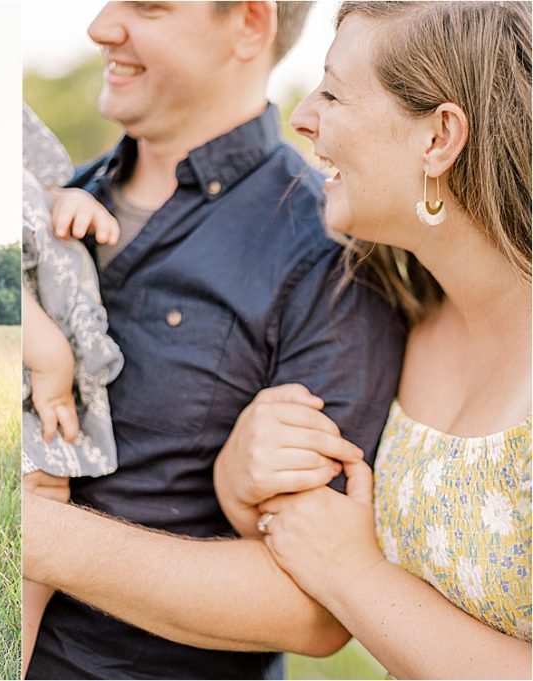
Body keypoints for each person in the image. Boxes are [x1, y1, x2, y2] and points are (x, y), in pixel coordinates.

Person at [24, 2, 406, 679]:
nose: (101, 27)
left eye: (147, 6)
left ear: (250, 23)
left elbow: (315, 609)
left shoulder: (329, 253)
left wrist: (38, 534)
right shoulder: (49, 205)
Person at [216, 3, 531, 678]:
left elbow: (344, 566)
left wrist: (356, 574)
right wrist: (241, 479)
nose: (301, 117)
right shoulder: (399, 309)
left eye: (332, 91)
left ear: (440, 137)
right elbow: (318, 546)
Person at [21, 104, 124, 676]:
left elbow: (39, 188)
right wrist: (50, 357)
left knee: (46, 495)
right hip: (31, 389)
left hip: (43, 408)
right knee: (37, 494)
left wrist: (65, 198)